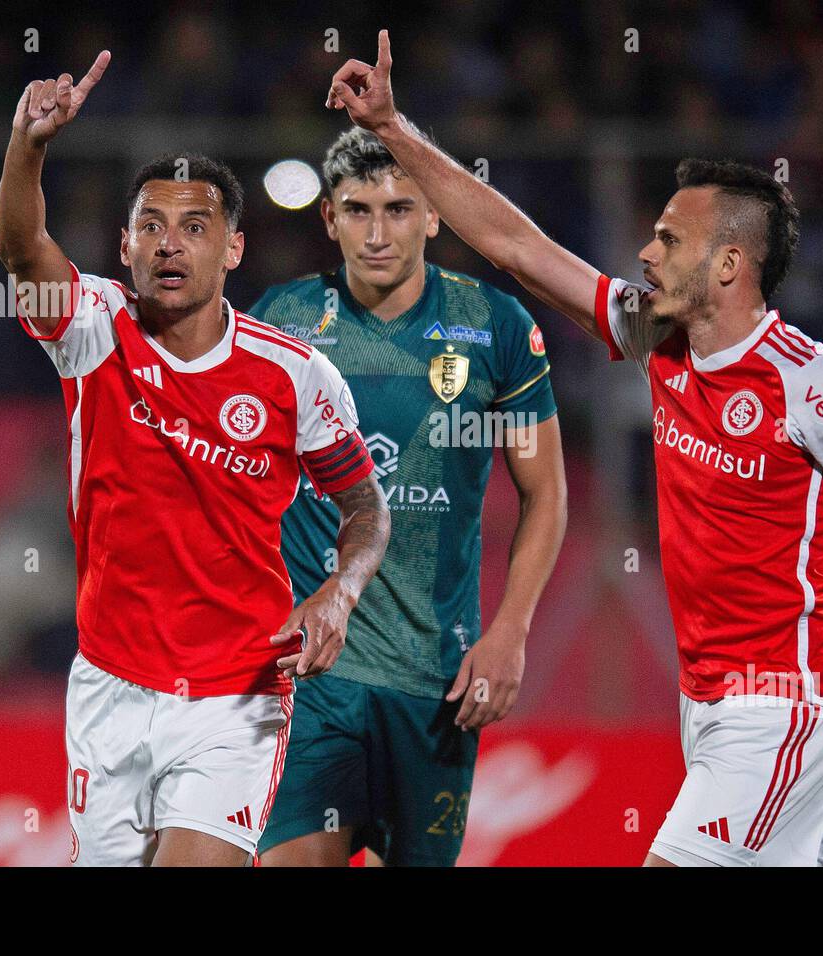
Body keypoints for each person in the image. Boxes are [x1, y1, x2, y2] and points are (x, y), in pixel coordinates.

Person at [325, 31, 823, 866]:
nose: (644, 253)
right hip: (706, 706)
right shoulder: (659, 337)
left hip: (782, 707)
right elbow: (519, 249)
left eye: (668, 240)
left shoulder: (812, 385)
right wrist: (394, 130)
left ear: (730, 265)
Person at [0, 52, 390, 866]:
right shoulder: (92, 330)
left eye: (195, 227)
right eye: (151, 227)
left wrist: (339, 595)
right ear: (126, 245)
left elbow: (365, 509)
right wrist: (27, 144)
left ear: (234, 250)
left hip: (234, 699)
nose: (170, 245)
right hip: (108, 686)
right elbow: (18, 247)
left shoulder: (294, 376)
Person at [249, 125, 567, 866]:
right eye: (357, 210)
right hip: (311, 676)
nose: (378, 232)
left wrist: (510, 632)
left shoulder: (495, 328)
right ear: (328, 218)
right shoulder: (282, 323)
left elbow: (545, 493)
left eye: (399, 209)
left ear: (434, 215)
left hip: (435, 677)